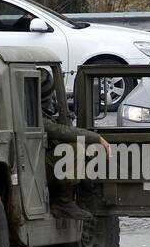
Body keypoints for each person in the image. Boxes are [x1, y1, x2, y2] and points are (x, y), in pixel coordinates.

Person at [40, 68, 108, 221]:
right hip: (35, 167)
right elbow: (61, 131)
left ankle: (81, 192)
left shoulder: (36, 110)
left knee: (79, 149)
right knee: (74, 150)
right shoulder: (33, 115)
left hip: (36, 163)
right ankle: (63, 202)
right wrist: (97, 138)